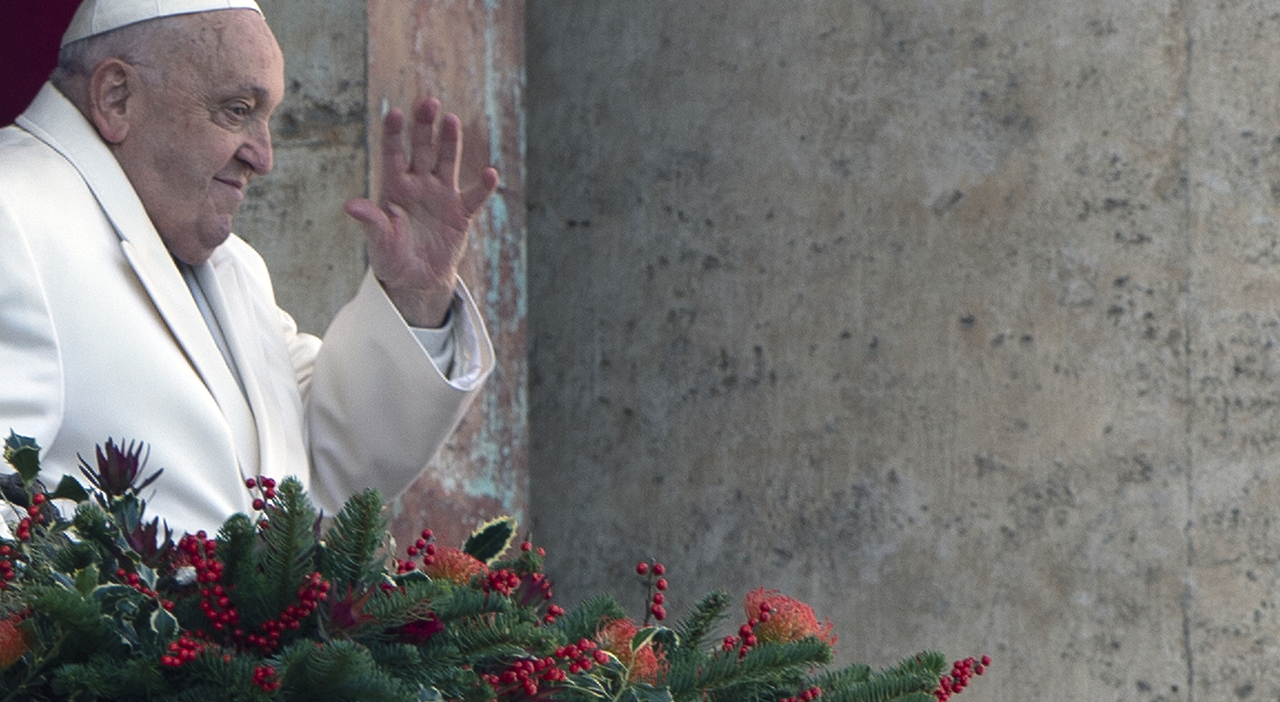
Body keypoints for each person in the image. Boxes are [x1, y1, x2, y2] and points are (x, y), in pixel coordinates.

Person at [0, 0, 500, 533]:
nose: (264, 157)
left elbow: (316, 460)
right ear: (116, 97)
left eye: (268, 118)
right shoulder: (15, 213)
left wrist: (416, 297)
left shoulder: (235, 265)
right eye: (237, 110)